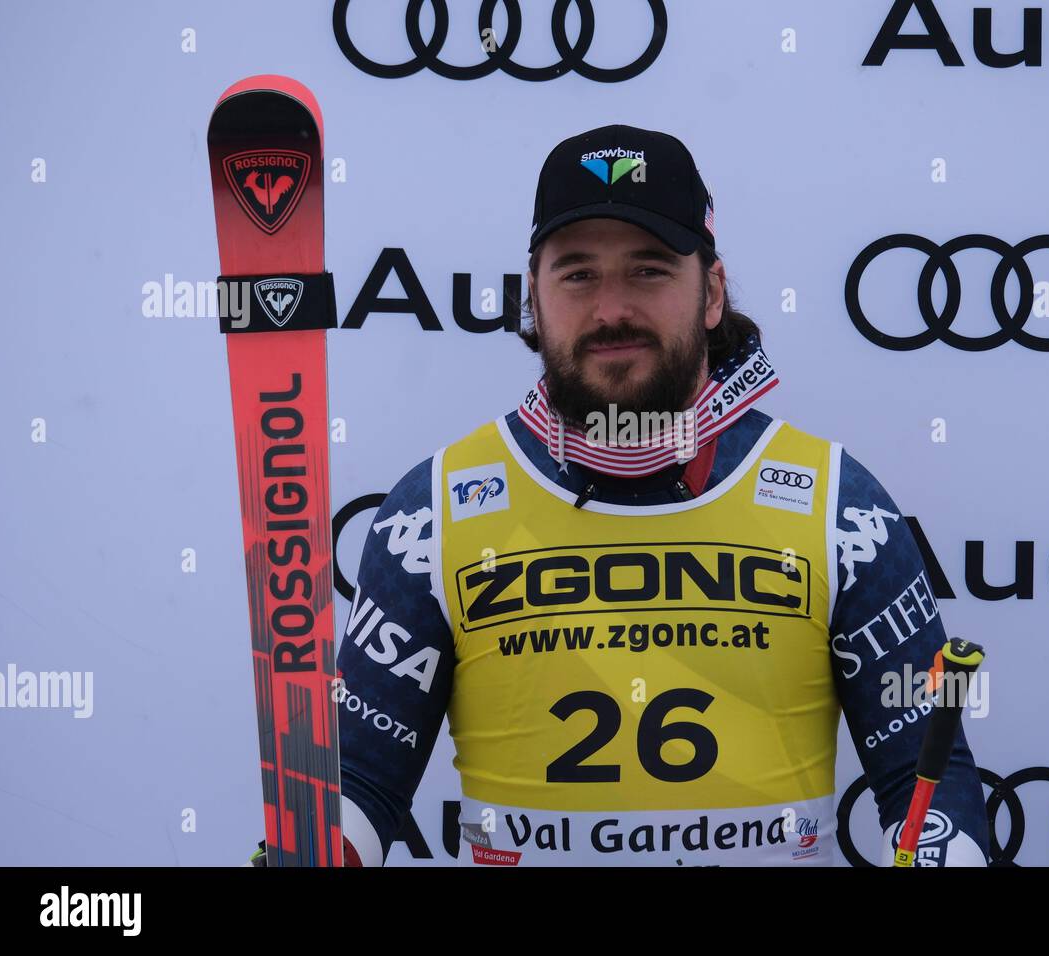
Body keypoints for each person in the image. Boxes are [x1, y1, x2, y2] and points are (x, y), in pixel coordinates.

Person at [329, 124, 989, 866]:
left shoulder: (840, 506)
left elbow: (922, 773)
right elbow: (360, 780)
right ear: (533, 300)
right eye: (577, 275)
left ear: (710, 291)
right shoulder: (437, 512)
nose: (612, 309)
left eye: (648, 271)